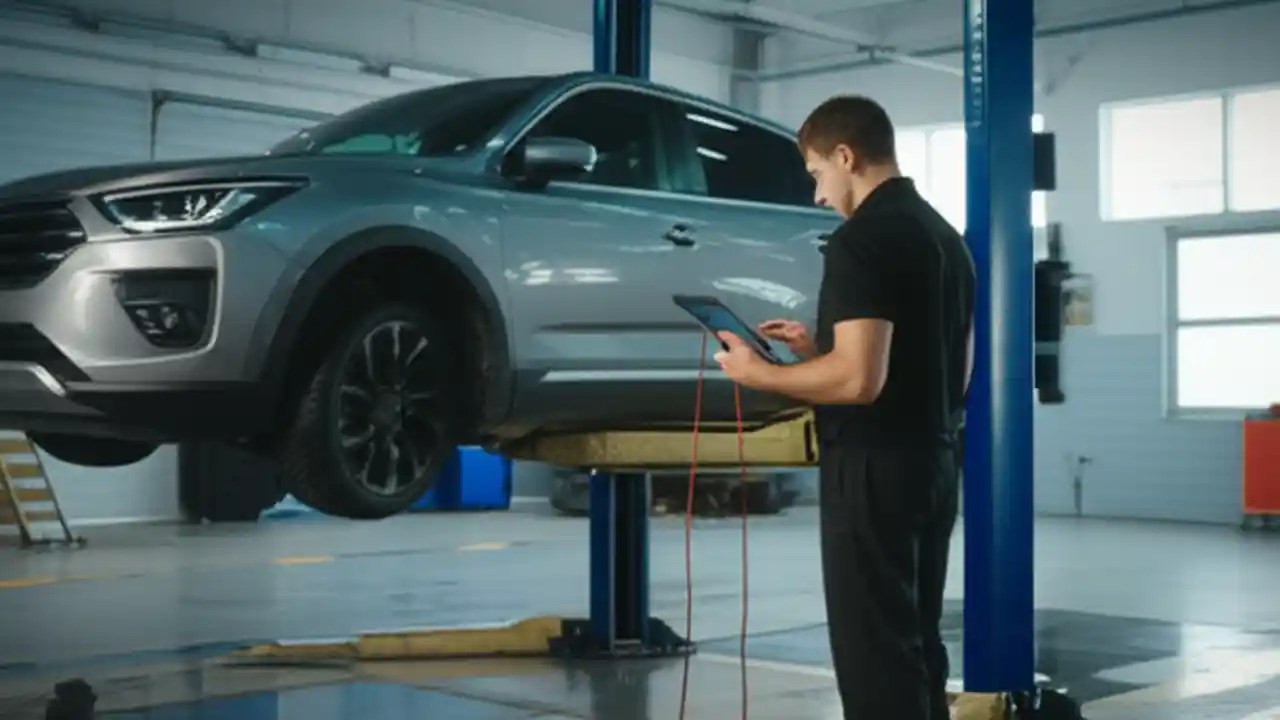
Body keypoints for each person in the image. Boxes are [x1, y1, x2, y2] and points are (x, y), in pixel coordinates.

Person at [713, 95, 975, 719]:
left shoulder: (860, 241)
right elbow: (950, 371)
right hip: (933, 463)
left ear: (845, 156)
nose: (818, 197)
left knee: (872, 655)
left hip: (873, 469)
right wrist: (816, 351)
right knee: (914, 643)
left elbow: (859, 381)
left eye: (816, 176)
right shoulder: (946, 238)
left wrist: (762, 375)